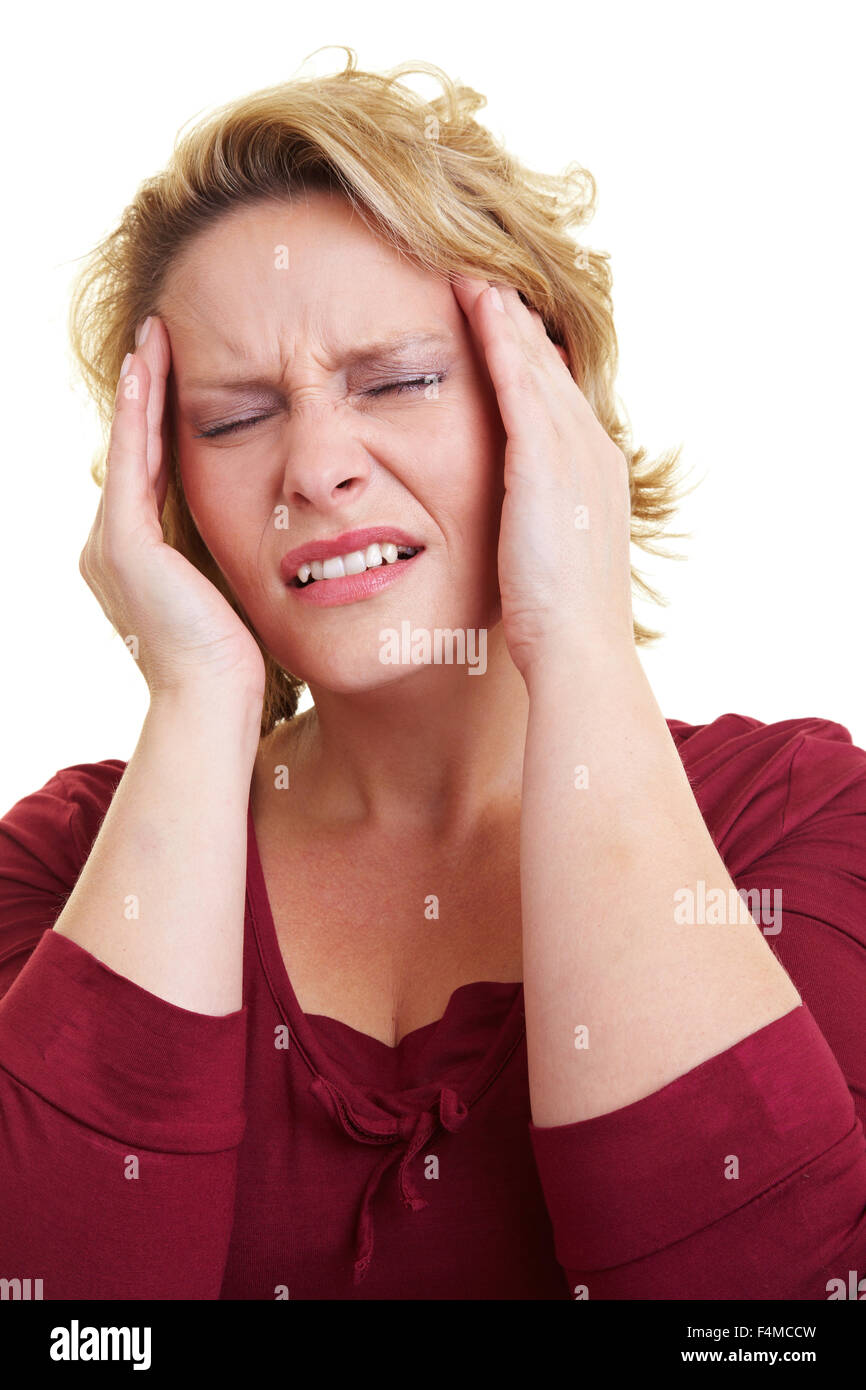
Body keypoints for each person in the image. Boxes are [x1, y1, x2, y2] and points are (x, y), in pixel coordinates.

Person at [1, 51, 864, 1301]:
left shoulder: (797, 824)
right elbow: (67, 1326)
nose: (315, 467)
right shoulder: (64, 870)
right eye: (235, 419)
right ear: (164, 485)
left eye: (396, 381)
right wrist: (193, 696)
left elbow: (754, 1329)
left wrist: (576, 634)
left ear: (541, 400)